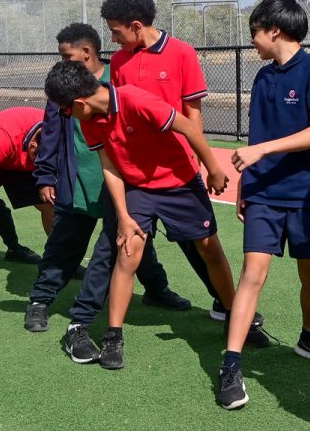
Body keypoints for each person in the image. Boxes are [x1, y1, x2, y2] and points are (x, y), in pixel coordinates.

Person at [42, 61, 236, 371]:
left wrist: (213, 169)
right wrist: (123, 214)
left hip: (180, 182)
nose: (65, 116)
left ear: (79, 102)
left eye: (65, 110)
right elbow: (110, 166)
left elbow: (187, 126)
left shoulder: (135, 100)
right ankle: (114, 336)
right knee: (127, 250)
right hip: (138, 189)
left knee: (208, 249)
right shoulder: (90, 119)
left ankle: (237, 319)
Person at [220, 0, 310, 411]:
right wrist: (246, 181)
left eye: (254, 33)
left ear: (273, 30)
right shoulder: (261, 78)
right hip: (264, 195)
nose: (253, 42)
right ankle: (231, 364)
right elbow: (257, 138)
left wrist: (261, 153)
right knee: (252, 275)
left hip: (308, 195)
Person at [26, 23, 195, 335]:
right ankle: (40, 300)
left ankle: (157, 289)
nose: (62, 61)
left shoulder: (115, 81)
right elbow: (49, 134)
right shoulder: (62, 90)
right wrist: (46, 175)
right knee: (63, 246)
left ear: (87, 52)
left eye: (67, 55)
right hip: (77, 183)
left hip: (118, 182)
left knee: (127, 243)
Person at [97, 0, 233, 321]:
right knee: (127, 247)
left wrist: (201, 160)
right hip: (138, 177)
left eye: (116, 31)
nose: (112, 39)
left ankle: (235, 311)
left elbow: (193, 113)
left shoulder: (182, 53)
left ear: (136, 26)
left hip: (179, 172)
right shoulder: (118, 61)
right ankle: (115, 329)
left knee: (205, 246)